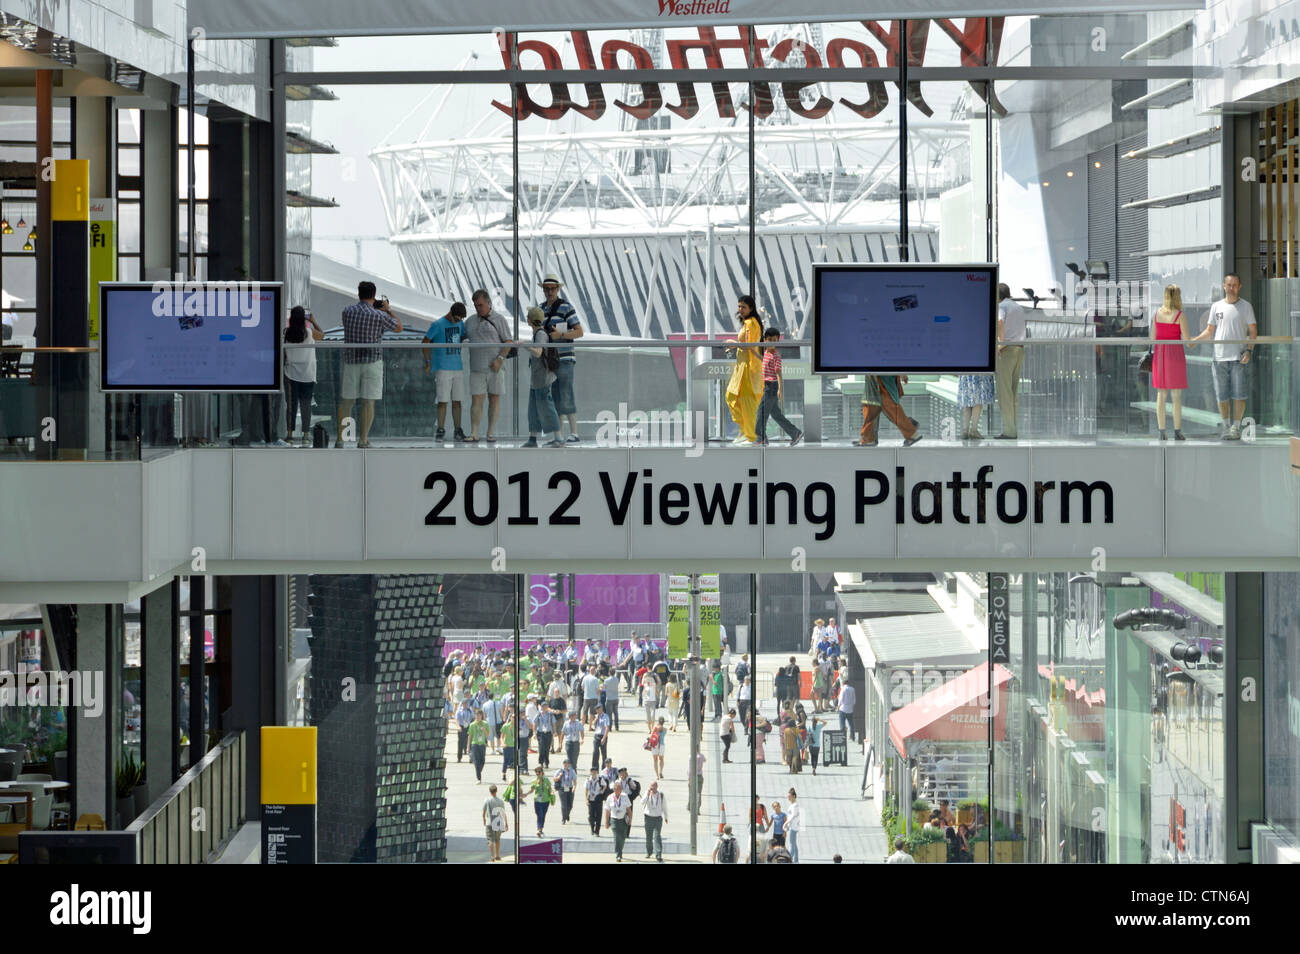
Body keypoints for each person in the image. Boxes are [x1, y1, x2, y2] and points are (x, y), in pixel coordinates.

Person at [1190, 272, 1257, 440]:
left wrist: (1249, 350)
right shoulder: (1216, 306)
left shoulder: (1246, 306)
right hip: (1219, 358)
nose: (1232, 288)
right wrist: (1194, 341)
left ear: (1240, 287)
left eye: (1235, 285)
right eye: (1229, 285)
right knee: (1222, 395)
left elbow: (1253, 331)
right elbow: (1209, 331)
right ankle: (1226, 426)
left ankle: (1236, 427)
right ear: (1224, 286)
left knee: (1239, 394)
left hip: (1238, 357)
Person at [337, 280, 402, 448]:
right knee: (368, 401)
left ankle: (340, 439)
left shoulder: (347, 312)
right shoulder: (379, 315)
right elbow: (398, 328)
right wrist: (388, 309)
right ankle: (363, 439)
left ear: (359, 294)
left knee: (347, 402)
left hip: (351, 361)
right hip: (372, 360)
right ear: (374, 296)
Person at [538, 273, 584, 441]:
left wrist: (561, 334)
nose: (549, 292)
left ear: (557, 289)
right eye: (547, 289)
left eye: (552, 289)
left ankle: (574, 433)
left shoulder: (566, 307)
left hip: (564, 357)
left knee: (565, 392)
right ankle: (560, 435)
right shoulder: (541, 309)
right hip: (550, 359)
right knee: (556, 394)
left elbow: (579, 331)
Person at [464, 288, 513, 442]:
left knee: (494, 399)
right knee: (476, 400)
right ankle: (474, 432)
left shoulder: (499, 319)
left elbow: (508, 342)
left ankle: (490, 432)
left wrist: (500, 359)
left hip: (495, 368)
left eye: (480, 305)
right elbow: (460, 336)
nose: (478, 308)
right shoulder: (470, 321)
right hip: (477, 367)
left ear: (488, 303)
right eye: (476, 305)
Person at [422, 301, 469, 442]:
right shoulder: (437, 324)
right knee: (442, 400)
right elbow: (425, 342)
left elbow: (462, 337)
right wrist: (428, 362)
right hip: (442, 367)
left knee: (457, 401)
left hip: (457, 367)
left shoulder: (460, 324)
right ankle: (440, 429)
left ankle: (457, 429)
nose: (458, 321)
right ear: (451, 313)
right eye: (456, 318)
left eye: (461, 319)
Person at [1150, 283, 1191, 440]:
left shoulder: (1157, 314)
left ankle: (1161, 432)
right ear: (1177, 297)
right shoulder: (1179, 315)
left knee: (1161, 394)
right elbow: (1188, 341)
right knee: (1176, 395)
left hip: (1160, 355)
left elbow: (1152, 338)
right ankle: (1177, 431)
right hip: (1175, 355)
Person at [522, 306, 564, 448]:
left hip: (543, 379)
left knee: (547, 408)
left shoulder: (540, 334)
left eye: (528, 317)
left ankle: (558, 438)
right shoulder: (538, 334)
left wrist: (525, 345)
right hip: (537, 379)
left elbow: (538, 353)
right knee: (533, 410)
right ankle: (533, 438)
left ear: (530, 320)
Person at [725, 295, 765, 444]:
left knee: (748, 402)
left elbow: (748, 345)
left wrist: (733, 343)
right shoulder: (748, 323)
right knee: (731, 397)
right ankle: (745, 430)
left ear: (751, 308)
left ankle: (751, 435)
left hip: (749, 367)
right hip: (742, 367)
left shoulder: (751, 323)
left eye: (743, 307)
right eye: (739, 306)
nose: (740, 310)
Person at [755, 327, 803, 446]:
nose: (772, 343)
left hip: (772, 387)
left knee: (761, 413)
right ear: (765, 340)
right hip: (767, 386)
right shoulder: (766, 353)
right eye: (769, 340)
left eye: (775, 340)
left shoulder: (776, 356)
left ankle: (761, 437)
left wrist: (780, 389)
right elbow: (764, 360)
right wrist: (753, 352)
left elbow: (779, 374)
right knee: (776, 415)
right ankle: (795, 433)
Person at [283, 305, 324, 445]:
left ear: (291, 318)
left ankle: (289, 434)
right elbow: (322, 335)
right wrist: (313, 321)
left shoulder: (286, 333)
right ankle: (306, 435)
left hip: (290, 373)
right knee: (306, 405)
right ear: (303, 319)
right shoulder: (310, 332)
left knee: (291, 405)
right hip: (307, 373)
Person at [994, 282, 1027, 439]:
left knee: (1004, 392)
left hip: (1006, 351)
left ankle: (1009, 430)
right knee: (1013, 393)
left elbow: (1000, 322)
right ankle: (1013, 428)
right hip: (1019, 349)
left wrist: (1000, 344)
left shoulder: (1002, 307)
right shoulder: (1018, 307)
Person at [855, 373, 921, 447]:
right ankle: (869, 438)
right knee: (871, 409)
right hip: (875, 380)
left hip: (883, 380)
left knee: (889, 408)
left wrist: (902, 373)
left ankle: (911, 431)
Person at [957, 368, 995, 441]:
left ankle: (965, 430)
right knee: (978, 400)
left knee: (967, 399)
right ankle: (974, 430)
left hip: (966, 371)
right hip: (980, 370)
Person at [605, 780, 633, 861]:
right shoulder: (610, 797)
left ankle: (619, 850)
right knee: (617, 837)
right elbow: (607, 811)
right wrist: (606, 822)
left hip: (623, 820)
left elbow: (629, 809)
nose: (617, 790)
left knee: (623, 837)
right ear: (613, 789)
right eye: (616, 788)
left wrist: (630, 819)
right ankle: (618, 854)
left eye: (619, 788)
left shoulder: (625, 796)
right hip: (614, 820)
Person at [642, 779, 667, 861]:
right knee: (649, 837)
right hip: (648, 817)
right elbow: (642, 802)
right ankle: (649, 852)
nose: (652, 788)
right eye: (651, 786)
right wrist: (647, 795)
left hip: (657, 818)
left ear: (657, 787)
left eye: (654, 786)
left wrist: (666, 817)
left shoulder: (661, 795)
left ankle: (658, 854)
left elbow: (664, 807)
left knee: (657, 836)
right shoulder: (647, 793)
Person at [483, 783, 508, 862]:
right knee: (497, 840)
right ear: (496, 791)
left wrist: (484, 820)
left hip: (490, 822)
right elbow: (503, 813)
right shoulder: (500, 801)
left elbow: (483, 812)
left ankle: (492, 856)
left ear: (490, 791)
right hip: (499, 823)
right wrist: (506, 824)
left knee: (491, 840)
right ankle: (497, 855)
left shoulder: (487, 800)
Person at [528, 764, 554, 837]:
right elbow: (532, 790)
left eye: (539, 772)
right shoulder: (535, 781)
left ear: (542, 772)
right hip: (537, 801)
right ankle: (539, 829)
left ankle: (541, 828)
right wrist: (526, 794)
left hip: (545, 800)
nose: (537, 774)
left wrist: (552, 792)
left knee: (543, 815)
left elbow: (550, 787)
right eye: (536, 772)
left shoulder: (546, 780)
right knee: (539, 815)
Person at [467, 709, 491, 783]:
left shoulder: (485, 724)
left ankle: (478, 771)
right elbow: (470, 736)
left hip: (482, 744)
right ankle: (478, 778)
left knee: (482, 760)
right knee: (476, 761)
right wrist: (468, 747)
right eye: (476, 715)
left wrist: (484, 730)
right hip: (475, 744)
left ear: (481, 716)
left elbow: (487, 735)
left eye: (479, 715)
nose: (477, 717)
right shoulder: (472, 724)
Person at [585, 766, 607, 835]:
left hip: (598, 799)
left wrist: (602, 791)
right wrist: (586, 799)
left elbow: (605, 785)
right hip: (591, 799)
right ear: (590, 772)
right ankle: (592, 828)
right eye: (592, 771)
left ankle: (597, 831)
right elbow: (586, 790)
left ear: (597, 772)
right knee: (591, 816)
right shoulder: (588, 780)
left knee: (598, 816)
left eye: (595, 771)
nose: (593, 773)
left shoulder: (600, 779)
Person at [591, 705, 611, 771]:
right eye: (596, 709)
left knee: (603, 753)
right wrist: (596, 719)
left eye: (598, 709)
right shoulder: (596, 716)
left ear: (601, 709)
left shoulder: (605, 716)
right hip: (596, 735)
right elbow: (593, 724)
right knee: (595, 752)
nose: (597, 711)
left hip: (602, 735)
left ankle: (604, 769)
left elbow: (607, 728)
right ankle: (595, 768)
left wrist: (604, 738)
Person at [499, 708, 517, 781]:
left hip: (514, 746)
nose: (514, 719)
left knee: (515, 762)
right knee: (506, 761)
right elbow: (502, 736)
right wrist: (502, 743)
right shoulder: (506, 726)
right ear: (510, 718)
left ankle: (515, 776)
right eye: (513, 717)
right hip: (507, 746)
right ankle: (504, 774)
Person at [454, 696, 474, 762]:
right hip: (461, 727)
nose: (465, 704)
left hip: (468, 727)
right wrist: (458, 727)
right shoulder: (459, 711)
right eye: (464, 703)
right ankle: (459, 757)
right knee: (460, 743)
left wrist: (472, 726)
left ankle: (471, 757)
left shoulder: (470, 710)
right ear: (462, 703)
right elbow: (456, 720)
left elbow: (473, 718)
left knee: (470, 742)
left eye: (466, 703)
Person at [786, 789, 803, 863]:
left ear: (793, 796)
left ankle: (789, 859)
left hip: (793, 827)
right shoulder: (793, 805)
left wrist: (786, 823)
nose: (788, 798)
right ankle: (796, 860)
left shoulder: (795, 805)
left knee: (791, 843)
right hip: (792, 826)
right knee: (794, 843)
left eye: (789, 796)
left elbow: (793, 815)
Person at [838, 677, 857, 742]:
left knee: (842, 724)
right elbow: (854, 700)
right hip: (850, 709)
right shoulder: (853, 689)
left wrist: (838, 706)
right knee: (851, 724)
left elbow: (841, 699)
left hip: (843, 708)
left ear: (843, 683)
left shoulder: (843, 689)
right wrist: (852, 707)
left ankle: (842, 738)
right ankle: (852, 736)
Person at [737, 676, 753, 741]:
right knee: (741, 717)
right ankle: (745, 726)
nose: (747, 681)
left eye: (748, 680)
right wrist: (737, 701)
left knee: (747, 717)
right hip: (741, 702)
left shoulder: (751, 686)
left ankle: (746, 729)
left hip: (749, 702)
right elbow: (738, 694)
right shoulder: (741, 686)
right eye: (746, 680)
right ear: (744, 680)